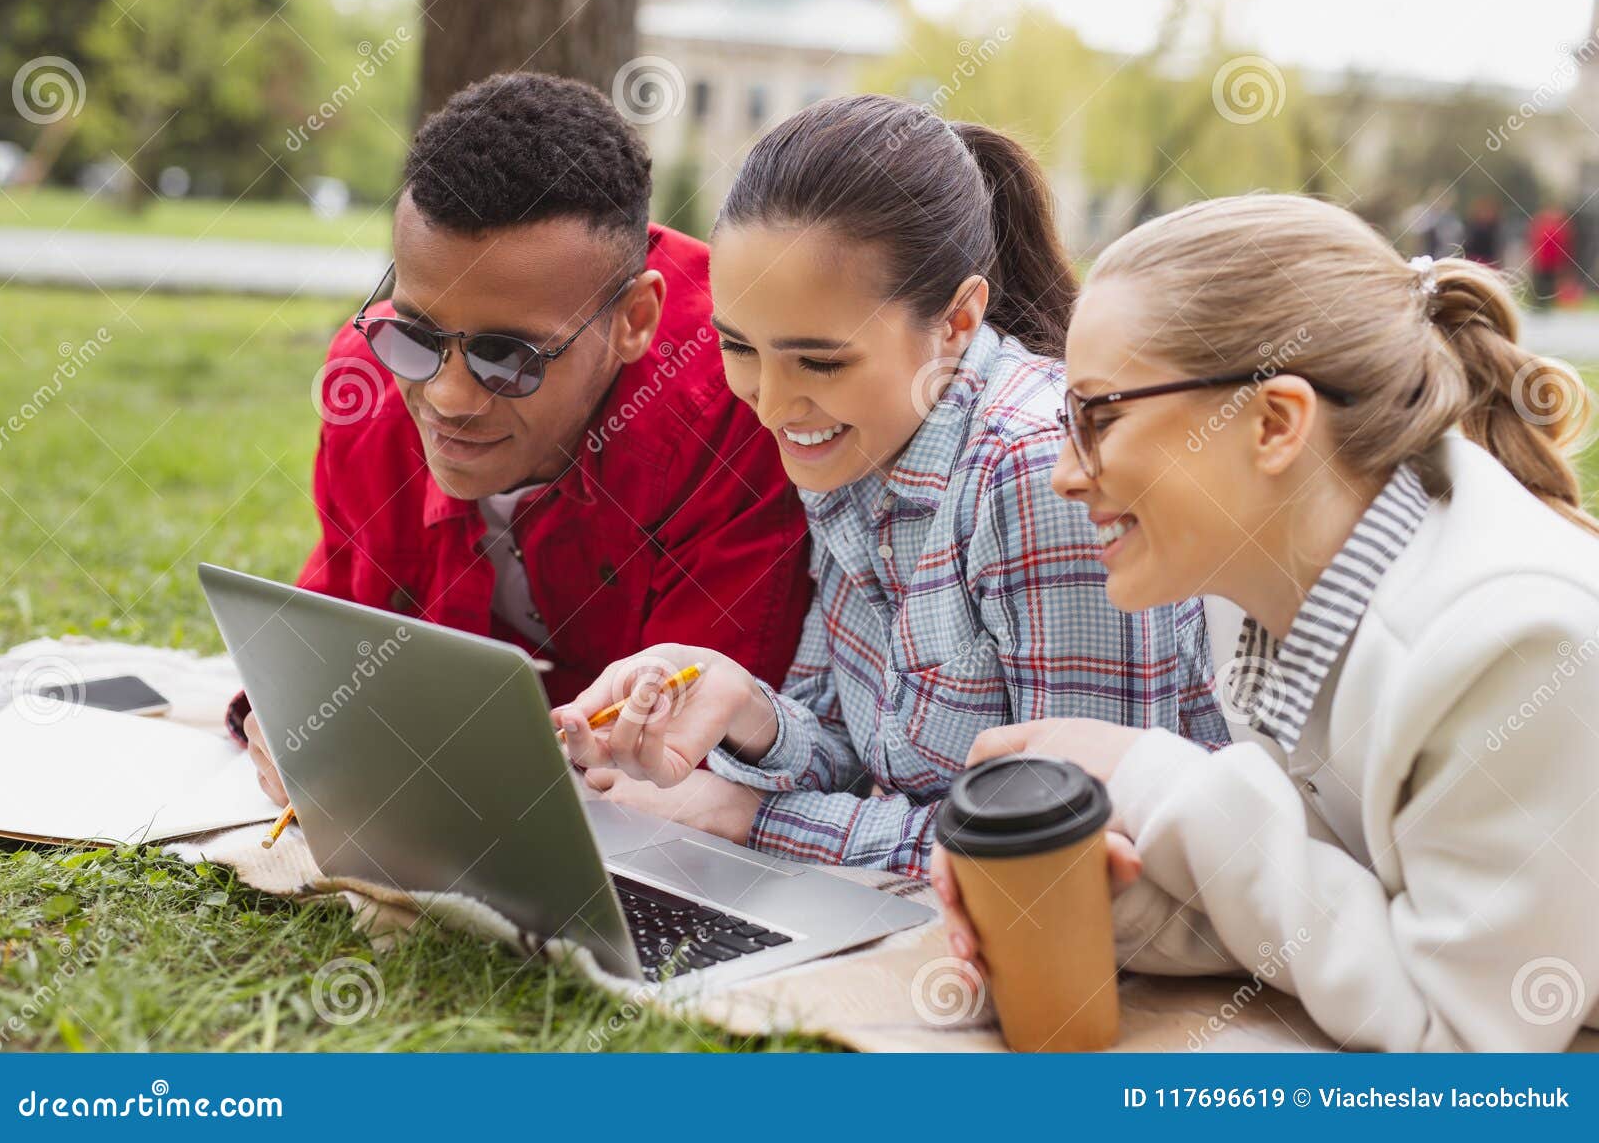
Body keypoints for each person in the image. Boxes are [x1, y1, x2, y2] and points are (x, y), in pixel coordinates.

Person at [936, 192, 1599, 1051]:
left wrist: (1161, 779)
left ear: (1276, 423)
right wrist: (1098, 900)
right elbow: (1342, 911)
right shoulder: (1265, 590)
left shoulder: (1514, 642)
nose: (1065, 471)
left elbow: (1463, 1049)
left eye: (1097, 416)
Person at [556, 95, 1228, 878]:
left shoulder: (1038, 474)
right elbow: (843, 750)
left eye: (821, 361)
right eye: (739, 347)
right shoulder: (853, 439)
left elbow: (1074, 845)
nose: (771, 405)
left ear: (957, 321)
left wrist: (752, 818)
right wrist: (740, 706)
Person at [238, 72, 810, 806]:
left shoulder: (734, 403)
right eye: (416, 333)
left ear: (634, 321)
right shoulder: (370, 387)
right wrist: (292, 719)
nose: (446, 397)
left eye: (507, 357)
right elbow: (332, 636)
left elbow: (685, 751)